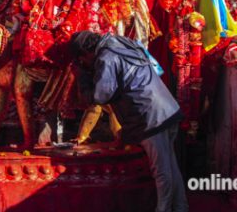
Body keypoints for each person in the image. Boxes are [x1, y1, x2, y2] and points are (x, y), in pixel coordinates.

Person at [70, 30, 188, 212]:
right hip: (166, 108)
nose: (83, 63)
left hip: (149, 115)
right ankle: (180, 207)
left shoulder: (106, 57)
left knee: (162, 171)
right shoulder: (122, 43)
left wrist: (84, 80)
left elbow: (102, 95)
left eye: (81, 59)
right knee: (171, 166)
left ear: (86, 52)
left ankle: (164, 209)